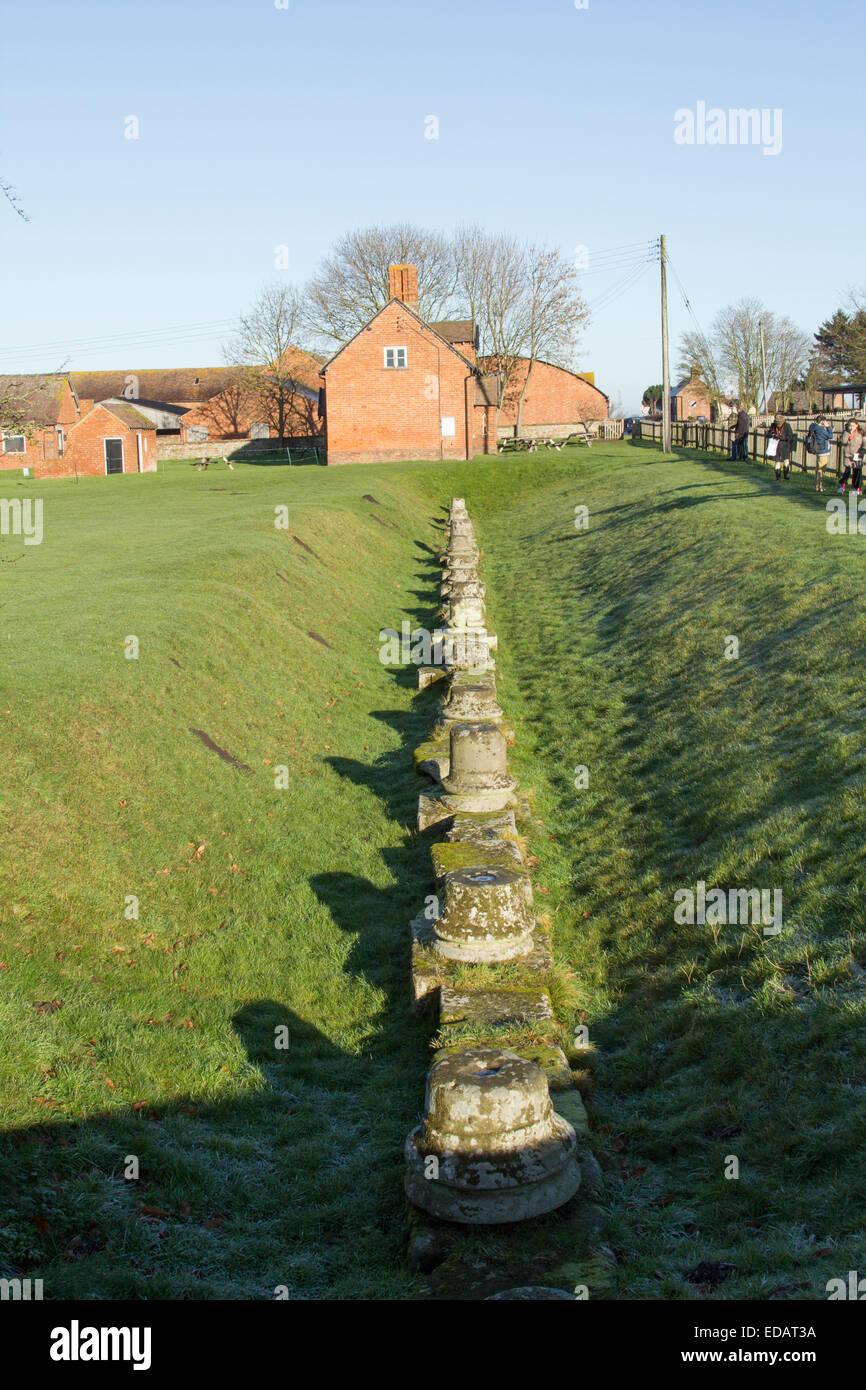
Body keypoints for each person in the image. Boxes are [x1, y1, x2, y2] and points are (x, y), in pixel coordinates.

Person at [807, 416, 834, 493]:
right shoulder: (820, 429)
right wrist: (828, 427)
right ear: (822, 421)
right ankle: (819, 486)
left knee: (818, 468)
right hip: (823, 450)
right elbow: (830, 436)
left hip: (819, 450)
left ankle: (818, 486)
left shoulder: (814, 427)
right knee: (821, 469)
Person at [766, 413, 795, 480]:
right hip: (776, 446)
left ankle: (786, 475)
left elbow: (790, 436)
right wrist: (772, 434)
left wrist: (782, 437)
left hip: (785, 446)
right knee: (777, 461)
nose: (778, 425)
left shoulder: (787, 426)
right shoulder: (773, 425)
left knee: (786, 461)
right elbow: (769, 433)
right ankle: (778, 477)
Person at [838, 420, 864, 494]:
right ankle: (842, 487)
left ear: (856, 425)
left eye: (853, 425)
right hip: (848, 455)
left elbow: (864, 444)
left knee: (857, 472)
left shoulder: (861, 433)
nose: (851, 427)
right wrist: (846, 433)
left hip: (857, 455)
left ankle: (857, 489)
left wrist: (861, 452)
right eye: (850, 425)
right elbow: (843, 441)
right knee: (847, 472)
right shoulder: (846, 432)